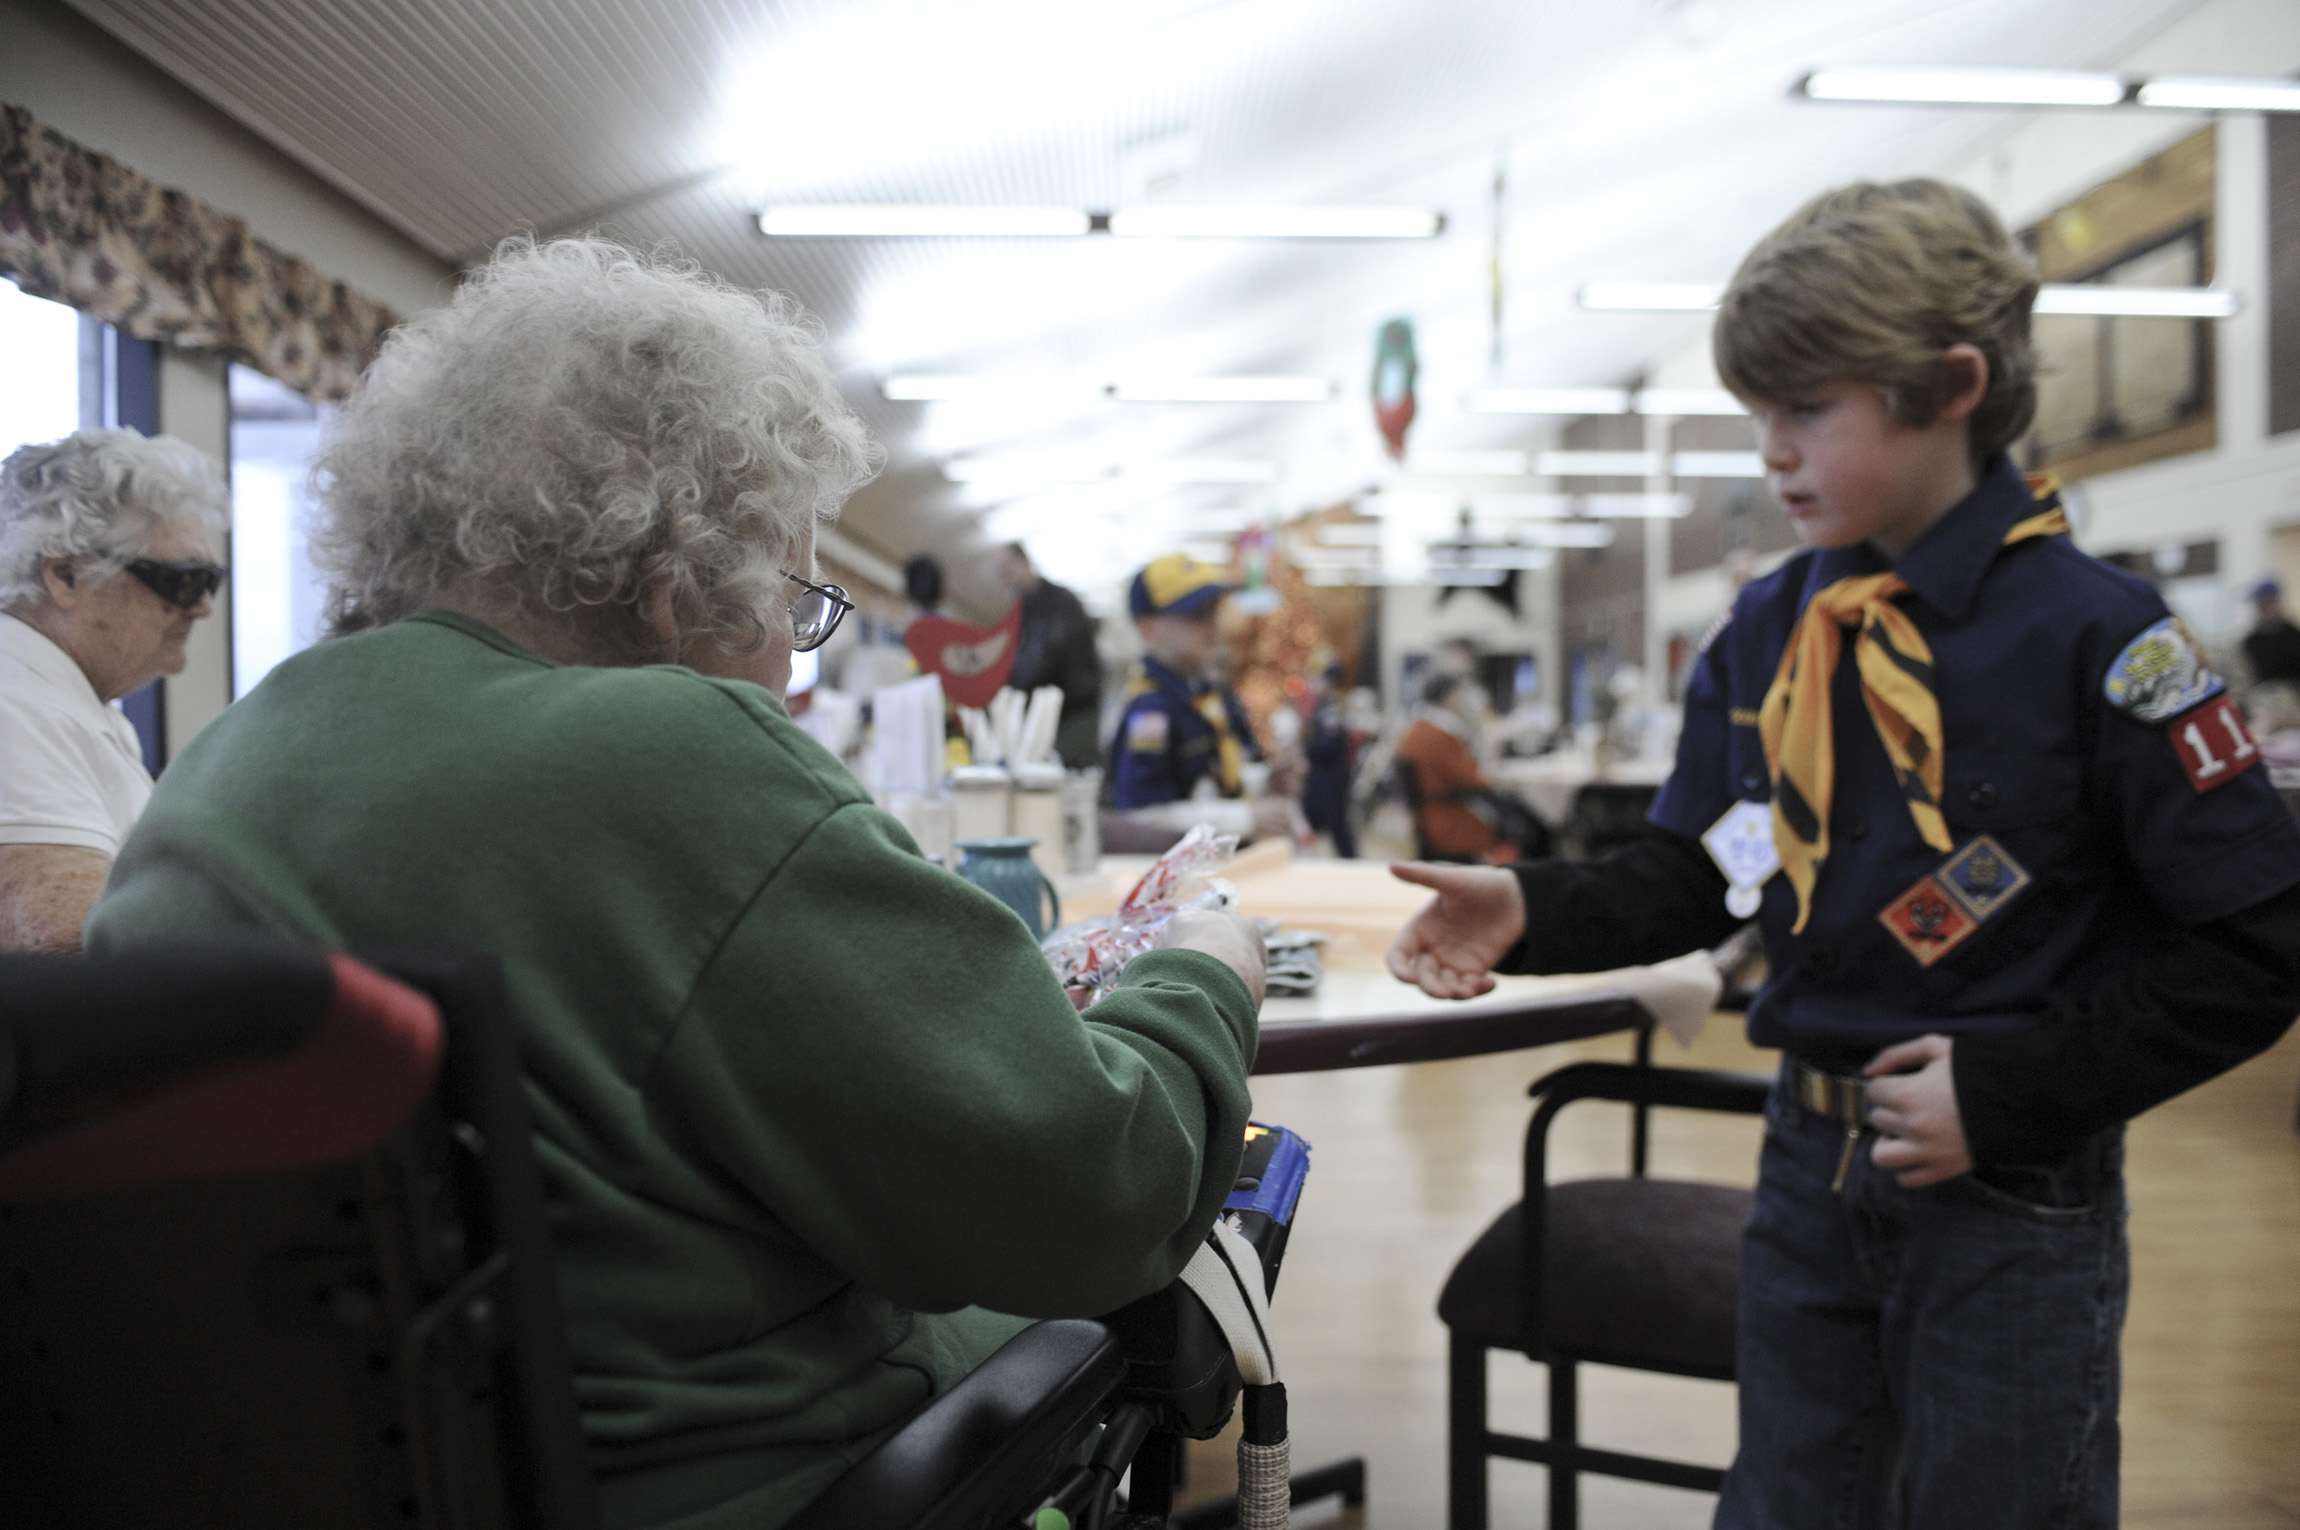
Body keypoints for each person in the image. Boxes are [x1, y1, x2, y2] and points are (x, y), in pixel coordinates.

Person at [84, 238, 1266, 1530]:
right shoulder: (671, 751)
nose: (793, 668)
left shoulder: (222, 767)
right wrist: (1202, 974)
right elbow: (1093, 1196)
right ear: (672, 586)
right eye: (796, 598)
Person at [1385, 180, 2300, 1528]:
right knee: (1784, 1502)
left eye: (1806, 410)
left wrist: (2015, 1089)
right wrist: (1531, 905)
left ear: (1952, 388)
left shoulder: (2101, 639)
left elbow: (2257, 943)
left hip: (2011, 1190)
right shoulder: (1768, 630)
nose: (1770, 454)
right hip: (1803, 1167)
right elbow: (1705, 873)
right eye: (1757, 414)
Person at [0, 430, 225, 952]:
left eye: (209, 580)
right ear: (66, 576)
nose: (202, 608)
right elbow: (61, 939)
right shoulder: (19, 711)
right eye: (181, 581)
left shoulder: (68, 702)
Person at [1107, 553, 1297, 846]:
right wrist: (1245, 818)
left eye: (1214, 610)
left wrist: (1264, 779)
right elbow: (1140, 815)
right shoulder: (1150, 710)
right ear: (1148, 628)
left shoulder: (1211, 693)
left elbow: (1215, 776)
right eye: (1195, 615)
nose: (1213, 625)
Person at [1391, 671, 1548, 864]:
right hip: (1451, 819)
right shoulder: (1441, 734)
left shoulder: (1415, 729)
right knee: (1529, 825)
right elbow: (1474, 780)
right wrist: (1496, 776)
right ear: (1449, 697)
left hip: (1429, 818)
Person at [994, 541, 1103, 768]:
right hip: (1044, 715)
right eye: (1000, 574)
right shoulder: (1022, 611)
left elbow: (1042, 659)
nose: (1004, 579)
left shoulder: (1060, 603)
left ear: (1024, 562)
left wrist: (1006, 689)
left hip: (1073, 715)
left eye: (1007, 570)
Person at [1299, 659, 1359, 858]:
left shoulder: (1331, 706)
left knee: (1336, 822)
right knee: (1314, 819)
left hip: (1331, 772)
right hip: (1324, 771)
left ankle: (1351, 863)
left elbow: (1330, 745)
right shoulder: (1324, 703)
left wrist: (1307, 748)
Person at [2240, 577, 2300, 687]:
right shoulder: (2251, 641)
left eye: (2269, 602)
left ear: (2278, 602)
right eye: (2262, 603)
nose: (2266, 607)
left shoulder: (2295, 635)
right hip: (2266, 693)